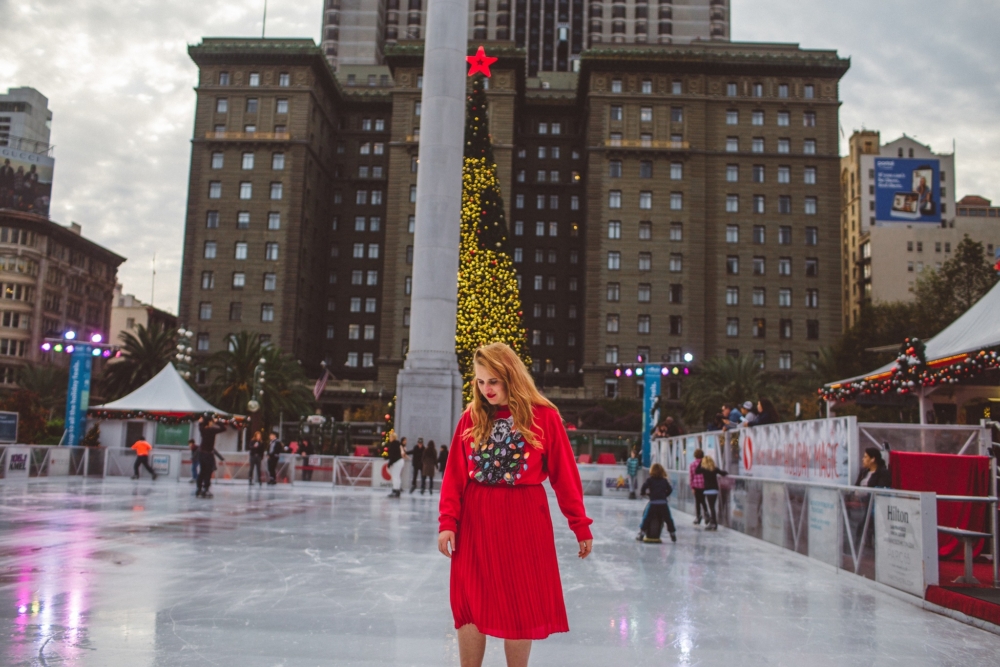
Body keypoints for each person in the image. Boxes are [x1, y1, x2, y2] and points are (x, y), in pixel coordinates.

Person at [438, 343, 592, 666]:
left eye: (492, 381)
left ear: (511, 376)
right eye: (480, 382)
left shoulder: (544, 418)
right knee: (469, 600)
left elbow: (565, 475)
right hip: (476, 520)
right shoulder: (472, 417)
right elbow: (454, 474)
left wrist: (579, 523)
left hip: (524, 519)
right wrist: (447, 522)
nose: (486, 389)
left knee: (520, 601)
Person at [636, 463, 676, 543]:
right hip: (663, 504)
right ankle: (672, 534)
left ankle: (641, 533)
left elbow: (643, 487)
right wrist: (665, 495)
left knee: (647, 518)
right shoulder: (664, 481)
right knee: (668, 519)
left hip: (653, 503)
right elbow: (670, 489)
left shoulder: (650, 480)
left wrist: (644, 493)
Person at [197, 415, 226, 498]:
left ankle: (199, 488)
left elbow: (200, 424)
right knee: (208, 471)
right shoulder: (211, 430)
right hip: (208, 454)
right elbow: (223, 428)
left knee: (202, 471)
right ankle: (206, 488)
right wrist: (217, 421)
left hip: (201, 453)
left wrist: (200, 422)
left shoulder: (202, 429)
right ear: (209, 422)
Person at [695, 455, 728, 530]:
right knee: (712, 506)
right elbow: (723, 473)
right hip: (715, 489)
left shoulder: (703, 469)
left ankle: (713, 523)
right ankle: (713, 522)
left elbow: (696, 471)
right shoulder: (714, 469)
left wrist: (700, 462)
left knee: (711, 507)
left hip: (707, 490)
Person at [689, 448, 708, 525]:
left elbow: (691, 476)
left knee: (697, 501)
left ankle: (698, 516)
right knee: (703, 500)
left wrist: (692, 487)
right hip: (704, 485)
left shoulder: (692, 464)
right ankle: (706, 514)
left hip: (696, 485)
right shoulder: (705, 464)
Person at [386, 434, 405, 498]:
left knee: (395, 476)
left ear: (393, 437)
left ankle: (395, 490)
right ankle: (397, 490)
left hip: (397, 462)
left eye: (390, 437)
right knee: (397, 476)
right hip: (400, 461)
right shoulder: (398, 444)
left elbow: (392, 455)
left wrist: (389, 464)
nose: (389, 438)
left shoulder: (393, 444)